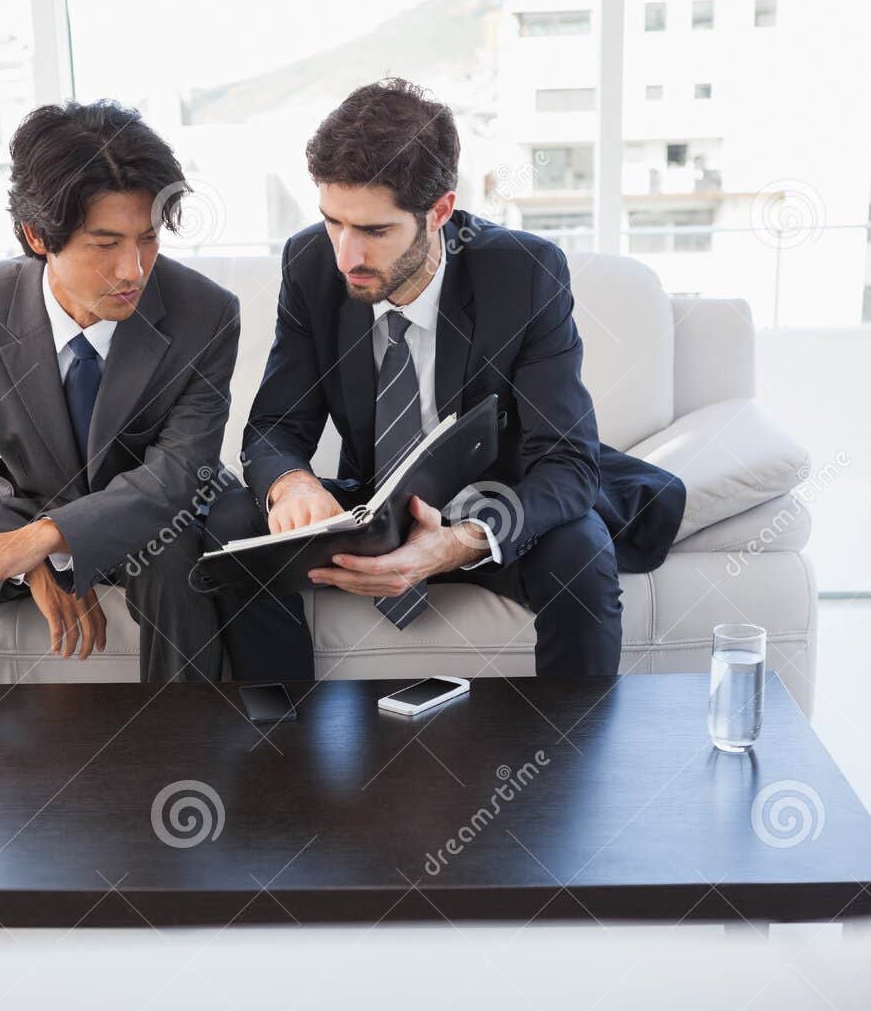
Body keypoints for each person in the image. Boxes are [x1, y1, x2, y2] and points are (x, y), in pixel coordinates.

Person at [205, 78, 684, 681]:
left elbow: (566, 462)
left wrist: (460, 542)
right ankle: (284, 728)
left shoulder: (523, 272)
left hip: (495, 504)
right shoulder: (311, 266)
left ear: (439, 212)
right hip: (378, 504)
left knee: (581, 553)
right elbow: (276, 425)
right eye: (334, 222)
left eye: (374, 231)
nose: (346, 256)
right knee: (229, 521)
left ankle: (570, 742)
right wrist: (293, 485)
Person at [0, 99, 238, 686]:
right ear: (37, 235)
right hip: (25, 505)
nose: (133, 270)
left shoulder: (207, 313)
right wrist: (28, 559)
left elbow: (177, 477)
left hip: (151, 517)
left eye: (147, 239)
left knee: (176, 562)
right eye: (105, 244)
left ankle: (181, 739)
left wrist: (42, 540)